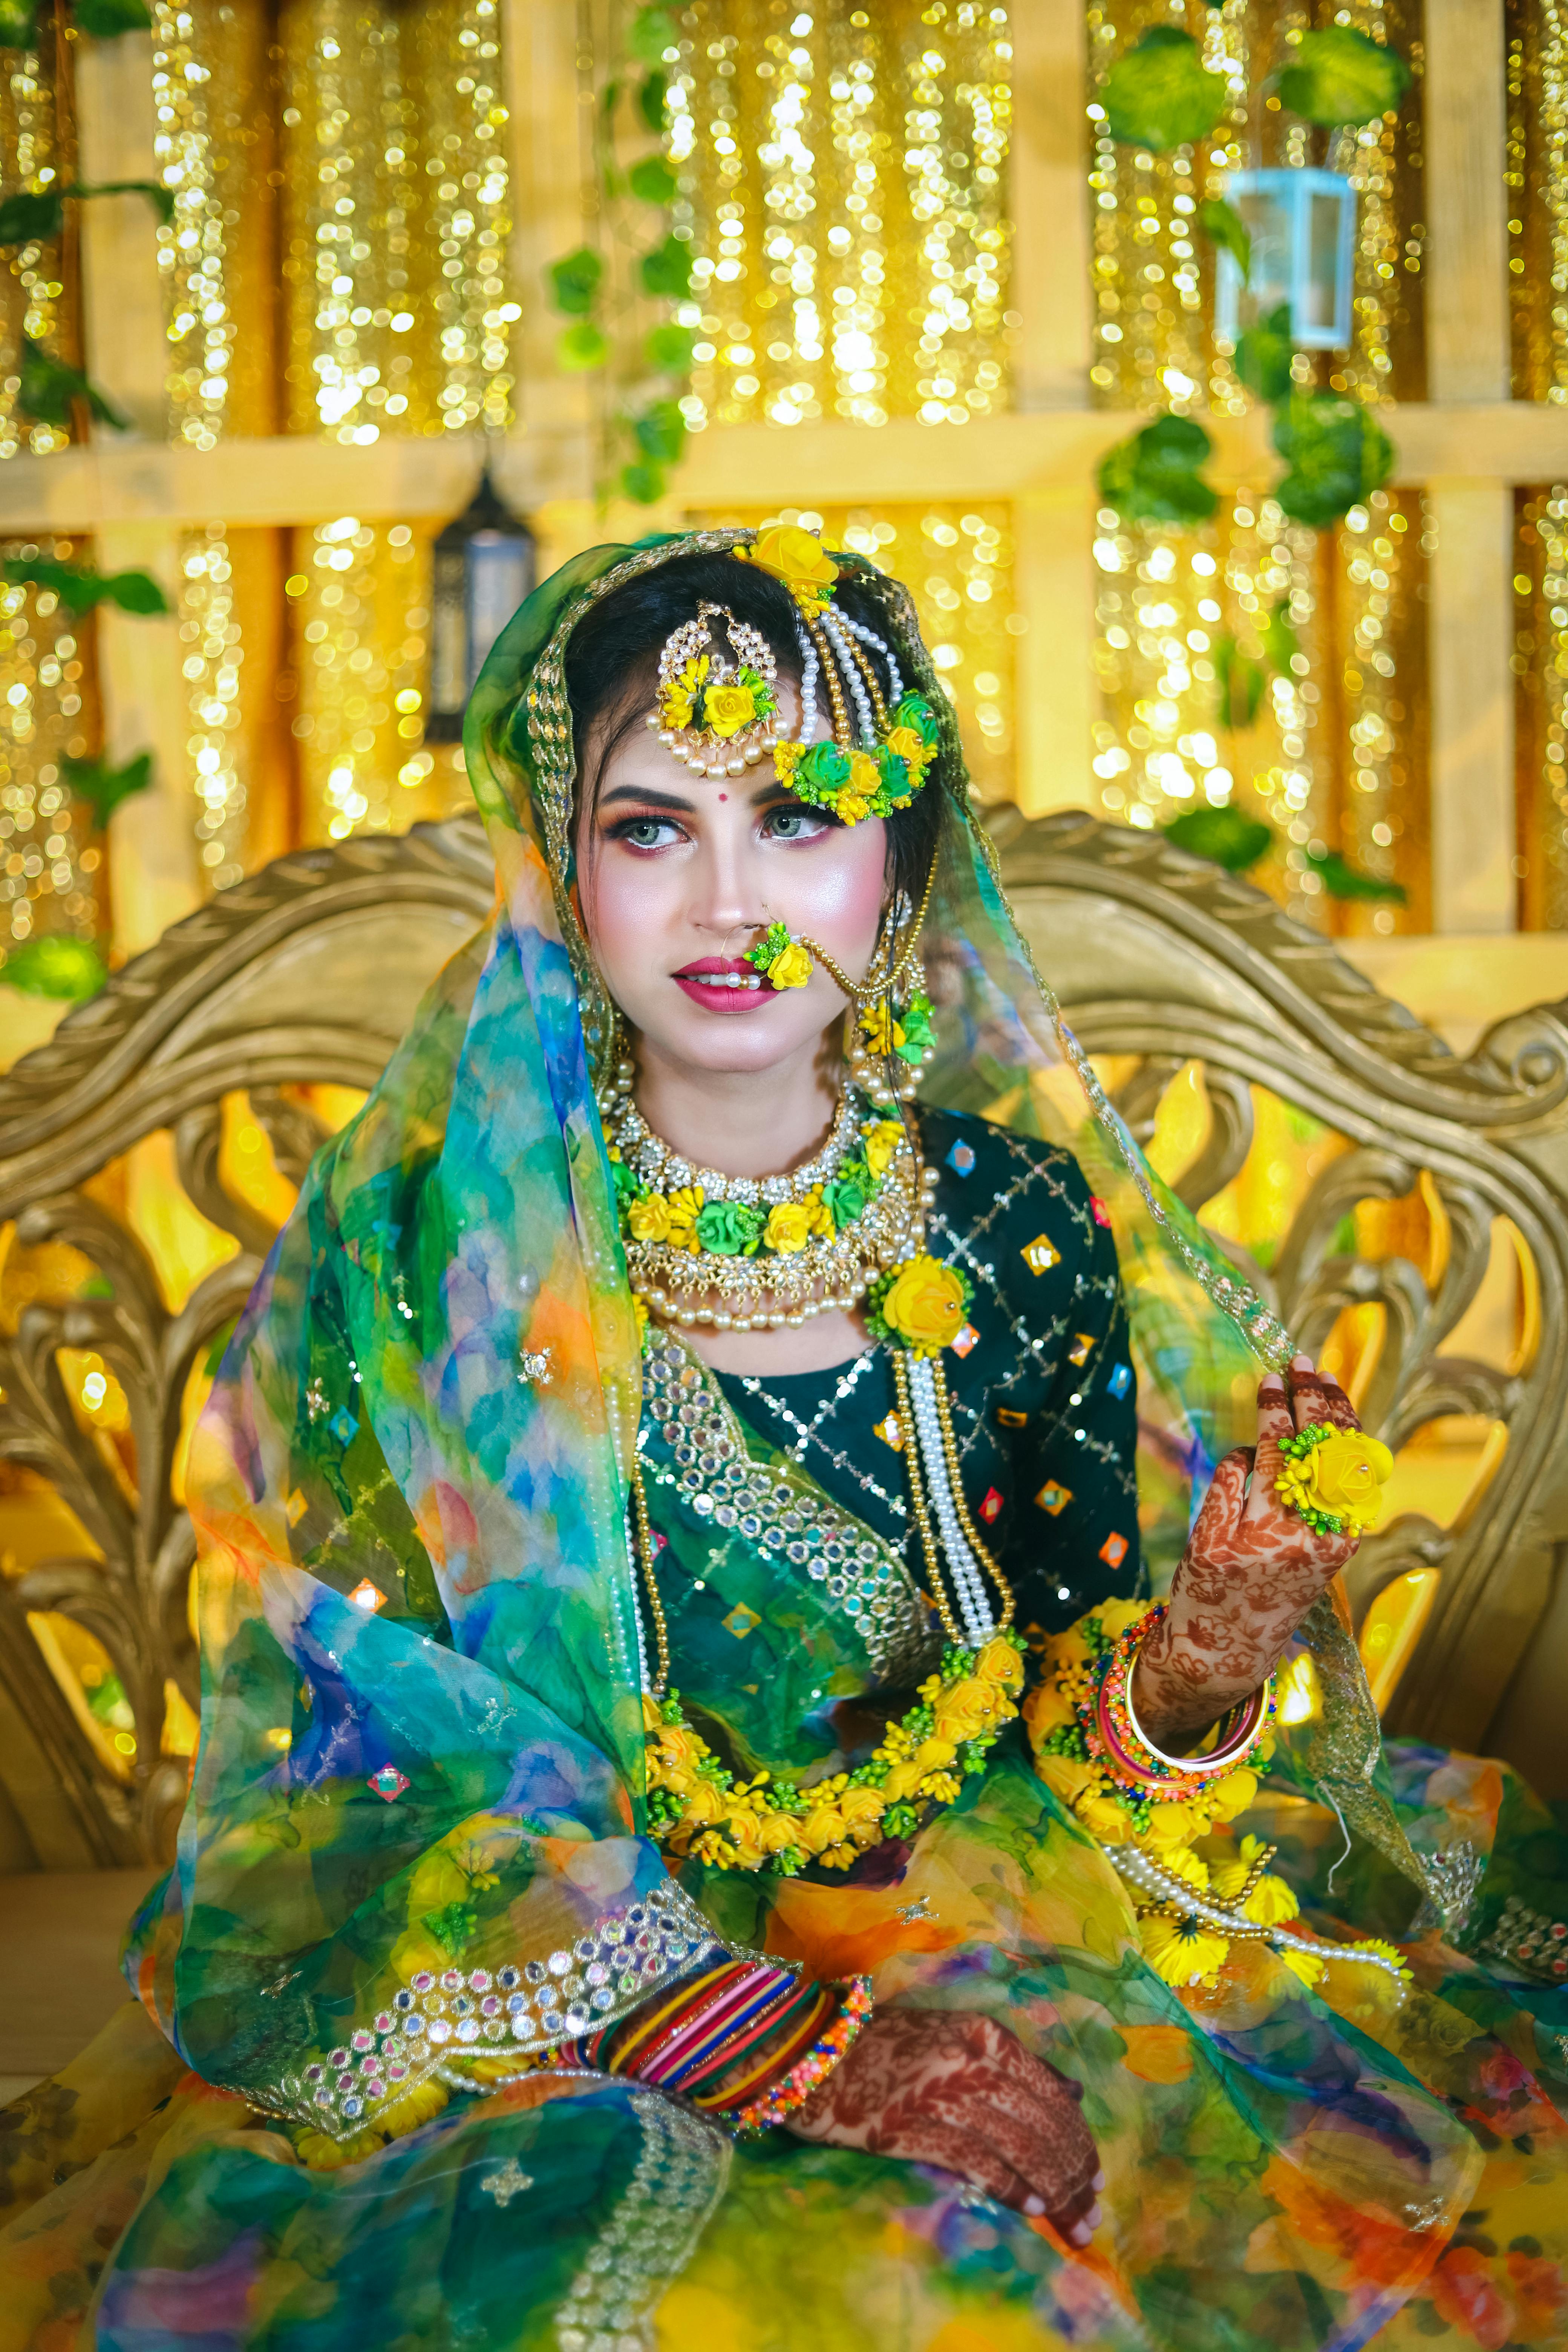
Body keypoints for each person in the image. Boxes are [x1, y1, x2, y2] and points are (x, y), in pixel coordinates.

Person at [2, 527, 1564, 2352]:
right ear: (561, 870)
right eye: (652, 827)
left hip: (980, 1912)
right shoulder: (441, 1259)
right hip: (547, 1971)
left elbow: (1072, 1710)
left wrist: (1203, 1660)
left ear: (900, 871)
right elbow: (353, 1744)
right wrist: (737, 2031)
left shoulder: (1012, 1224)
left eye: (802, 817)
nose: (727, 904)